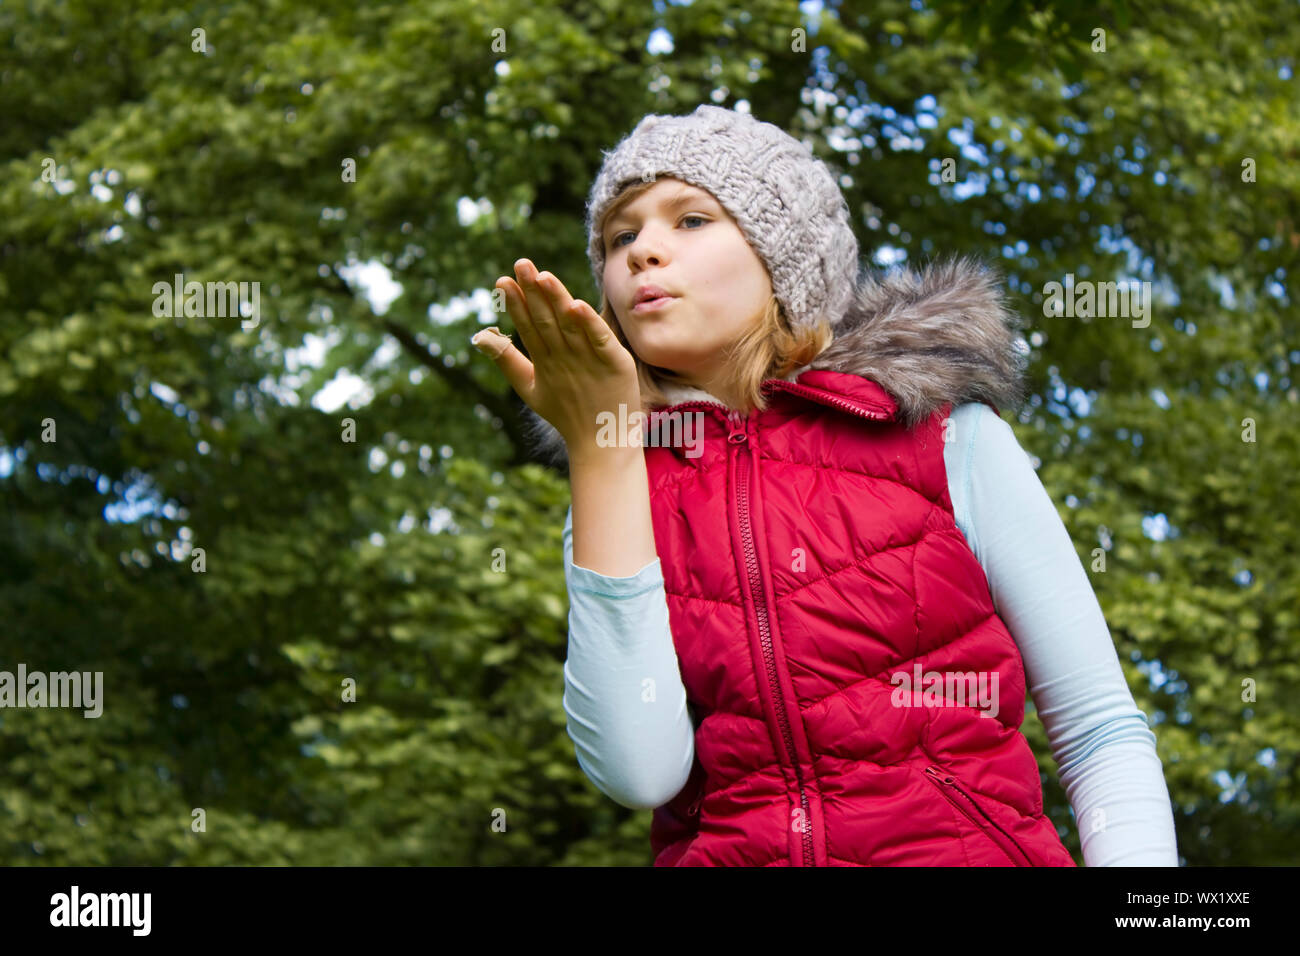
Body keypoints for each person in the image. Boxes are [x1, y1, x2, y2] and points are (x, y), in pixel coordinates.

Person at [471, 104, 1179, 867]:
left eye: (691, 219)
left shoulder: (942, 435)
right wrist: (602, 454)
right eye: (621, 235)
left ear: (786, 258)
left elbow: (1099, 729)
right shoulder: (614, 483)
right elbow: (640, 772)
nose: (644, 251)